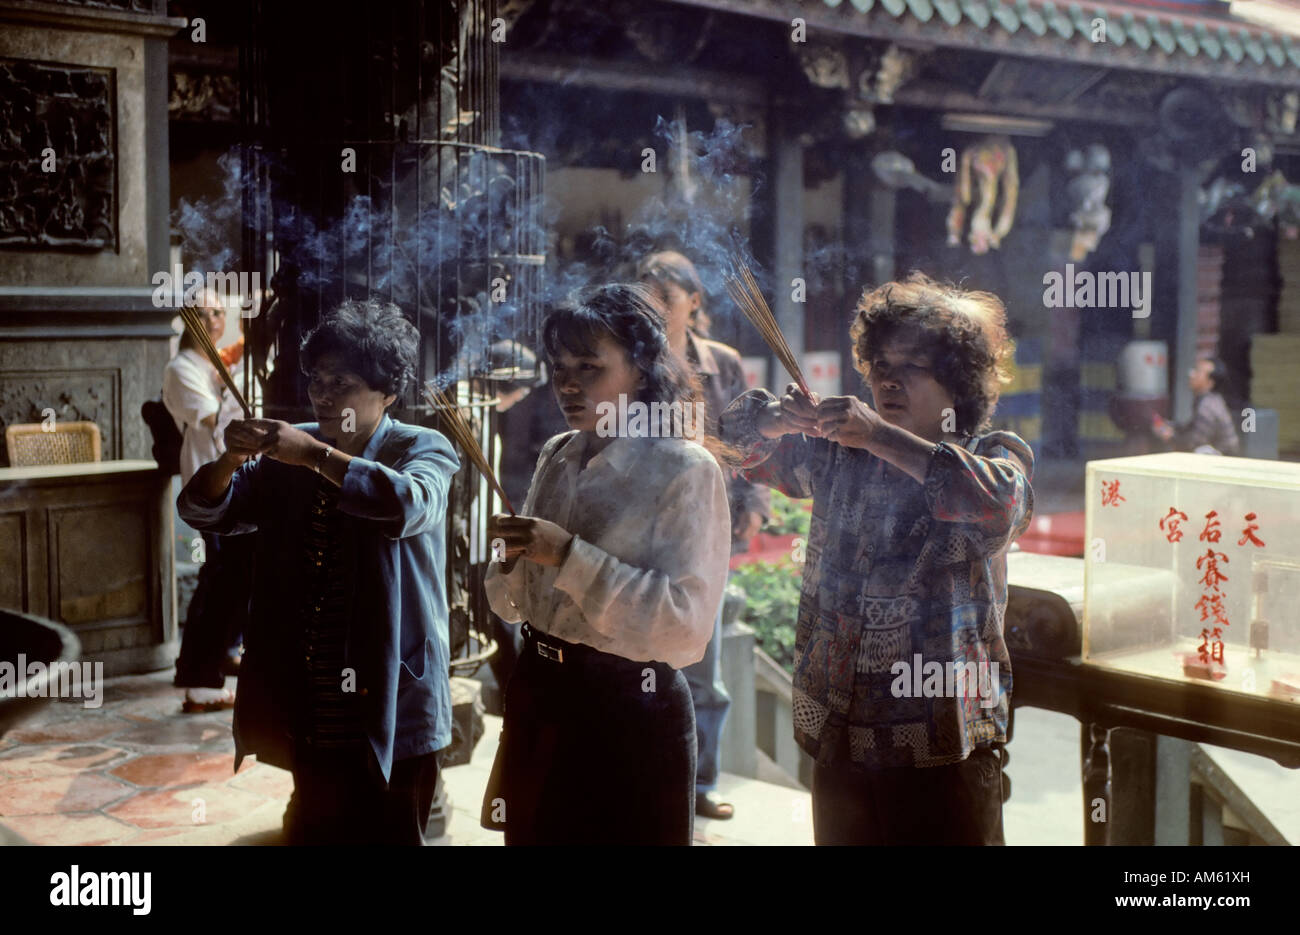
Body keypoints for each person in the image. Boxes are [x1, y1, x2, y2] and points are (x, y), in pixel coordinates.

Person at [720, 272, 1034, 845]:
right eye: (880, 364)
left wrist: (877, 436)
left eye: (911, 366)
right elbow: (735, 446)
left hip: (944, 745)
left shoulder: (991, 454)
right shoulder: (841, 454)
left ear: (956, 381)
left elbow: (996, 503)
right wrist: (777, 419)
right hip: (842, 731)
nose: (888, 379)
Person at [178, 298, 460, 845]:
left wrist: (312, 456)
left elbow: (405, 504)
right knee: (313, 830)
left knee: (388, 835)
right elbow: (207, 511)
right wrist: (230, 461)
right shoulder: (295, 451)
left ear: (388, 392)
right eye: (318, 380)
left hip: (392, 698)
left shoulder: (421, 448)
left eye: (343, 383)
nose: (324, 395)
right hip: (311, 695)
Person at [483, 283, 731, 845]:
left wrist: (567, 556)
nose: (568, 384)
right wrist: (509, 558)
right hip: (541, 692)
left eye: (590, 367)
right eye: (559, 367)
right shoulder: (559, 454)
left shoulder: (683, 470)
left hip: (629, 709)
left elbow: (685, 630)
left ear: (641, 371)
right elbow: (516, 601)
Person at [638, 250, 769, 820]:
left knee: (705, 665)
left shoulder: (723, 362)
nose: (656, 309)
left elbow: (750, 440)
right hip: (644, 527)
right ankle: (647, 778)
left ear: (694, 302)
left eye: (666, 298)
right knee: (643, 661)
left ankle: (700, 783)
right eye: (647, 297)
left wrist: (755, 501)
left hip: (707, 530)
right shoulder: (635, 362)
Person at [162, 291, 249, 713]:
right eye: (203, 313)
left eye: (218, 312)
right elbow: (219, 422)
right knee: (218, 578)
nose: (213, 320)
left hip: (235, 482)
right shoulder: (182, 369)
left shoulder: (220, 362)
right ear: (187, 319)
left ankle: (223, 649)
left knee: (236, 573)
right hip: (208, 484)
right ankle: (197, 678)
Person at [1152, 355, 1240, 455]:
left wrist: (1170, 437)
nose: (1191, 374)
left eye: (1198, 372)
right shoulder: (1210, 400)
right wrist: (1172, 426)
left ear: (1210, 383)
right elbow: (1192, 428)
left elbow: (1193, 443)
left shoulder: (1207, 406)